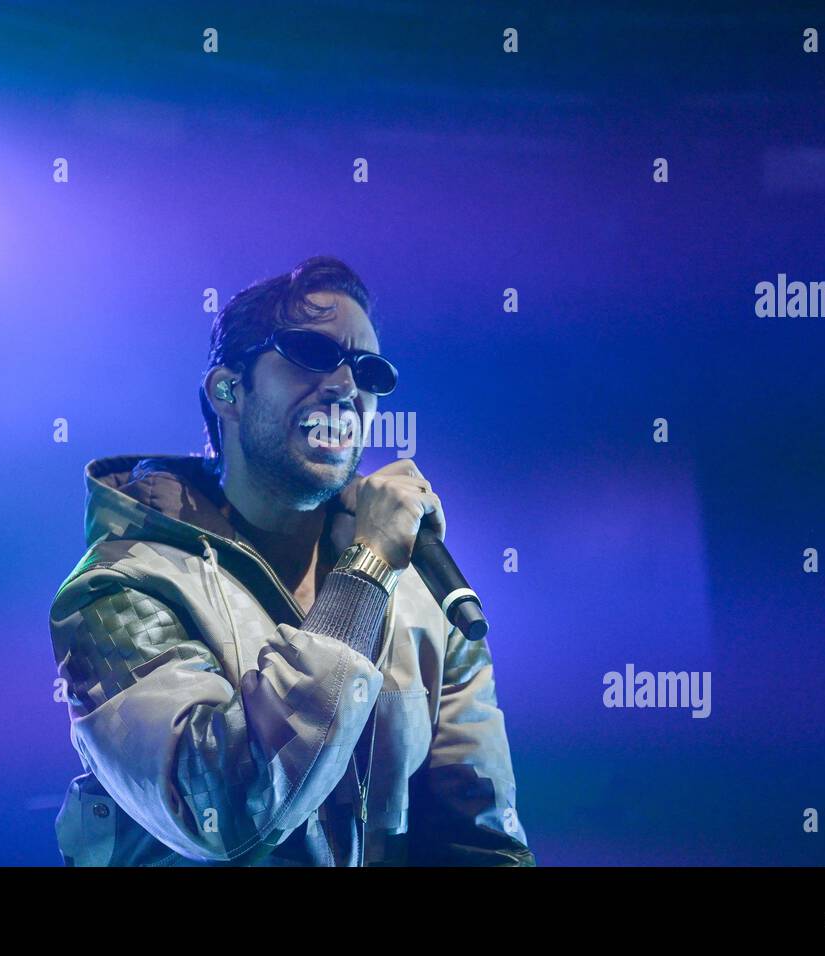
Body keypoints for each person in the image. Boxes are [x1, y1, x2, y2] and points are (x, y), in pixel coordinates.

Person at [48, 255, 534, 866]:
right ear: (229, 390)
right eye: (311, 353)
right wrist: (365, 573)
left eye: (368, 370)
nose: (345, 386)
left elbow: (478, 842)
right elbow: (222, 811)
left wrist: (376, 569)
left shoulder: (419, 596)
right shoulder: (118, 589)